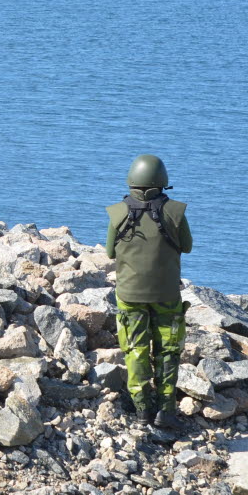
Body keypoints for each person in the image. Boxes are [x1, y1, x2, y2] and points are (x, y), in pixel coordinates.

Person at [105, 154, 194, 429]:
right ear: (162, 181)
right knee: (168, 350)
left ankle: (142, 409)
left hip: (130, 295)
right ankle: (166, 411)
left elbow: (109, 252)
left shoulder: (117, 213)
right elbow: (187, 246)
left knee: (135, 350)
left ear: (131, 180)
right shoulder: (175, 212)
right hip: (167, 294)